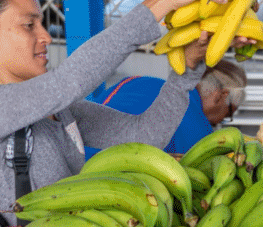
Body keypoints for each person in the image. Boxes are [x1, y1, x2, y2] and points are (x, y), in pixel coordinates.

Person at [0, 0, 251, 227]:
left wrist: (187, 70)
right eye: (29, 25)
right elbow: (69, 82)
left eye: (42, 23)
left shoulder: (57, 111)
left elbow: (144, 136)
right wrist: (159, 2)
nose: (45, 36)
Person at [86, 59, 248, 156]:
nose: (222, 120)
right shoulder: (200, 133)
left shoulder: (137, 80)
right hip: (99, 183)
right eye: (229, 113)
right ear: (221, 96)